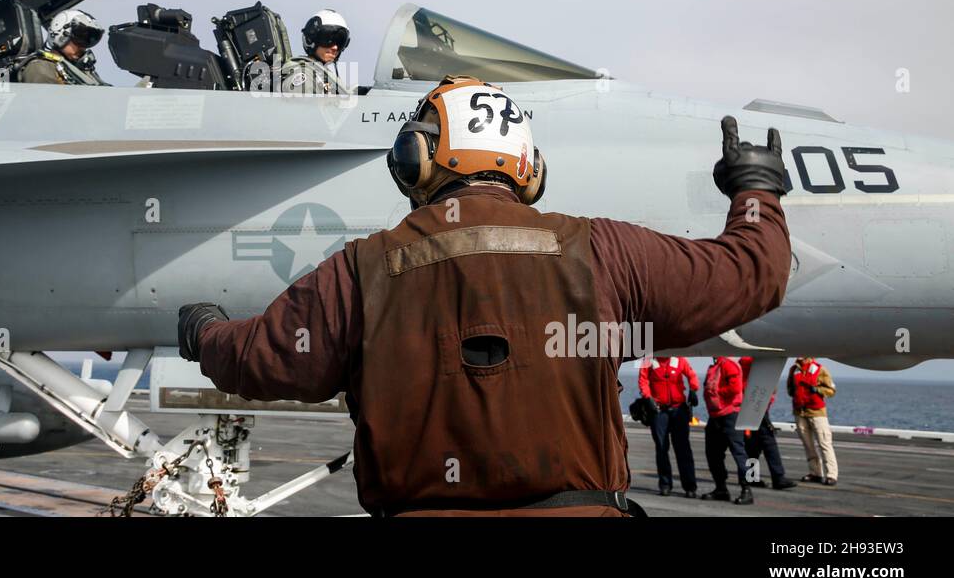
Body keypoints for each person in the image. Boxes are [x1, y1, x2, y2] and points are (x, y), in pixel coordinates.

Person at [177, 78, 792, 516]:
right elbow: (749, 275)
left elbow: (259, 358)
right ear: (530, 168)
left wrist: (204, 331)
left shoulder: (362, 269)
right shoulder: (602, 252)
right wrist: (756, 191)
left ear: (417, 157)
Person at [638, 356, 701, 497]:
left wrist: (693, 389)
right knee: (661, 448)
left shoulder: (680, 359)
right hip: (659, 412)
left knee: (683, 449)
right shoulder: (648, 360)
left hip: (679, 411)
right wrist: (648, 398)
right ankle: (665, 484)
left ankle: (690, 486)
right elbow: (643, 380)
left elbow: (692, 375)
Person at [738, 355, 797, 490]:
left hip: (753, 405)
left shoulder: (749, 362)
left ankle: (751, 477)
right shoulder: (752, 361)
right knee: (768, 442)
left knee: (753, 445)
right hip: (757, 406)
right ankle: (778, 477)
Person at [702, 355, 754, 504]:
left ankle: (747, 490)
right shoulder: (715, 366)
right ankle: (721, 488)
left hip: (730, 415)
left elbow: (735, 388)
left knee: (739, 452)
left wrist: (716, 391)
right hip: (716, 416)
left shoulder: (728, 364)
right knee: (713, 454)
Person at [13, 9, 107, 85]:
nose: (82, 47)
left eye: (87, 41)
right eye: (80, 38)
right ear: (60, 33)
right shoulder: (40, 67)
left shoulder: (85, 75)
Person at [789, 356, 838, 485]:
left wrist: (817, 390)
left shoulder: (820, 370)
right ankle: (815, 473)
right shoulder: (794, 370)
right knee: (808, 445)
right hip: (800, 412)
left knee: (824, 443)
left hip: (817, 413)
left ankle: (831, 474)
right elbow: (790, 390)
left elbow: (831, 390)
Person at [287, 9, 350, 94]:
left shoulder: (324, 77)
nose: (335, 47)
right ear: (311, 39)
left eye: (340, 41)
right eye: (328, 40)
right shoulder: (304, 75)